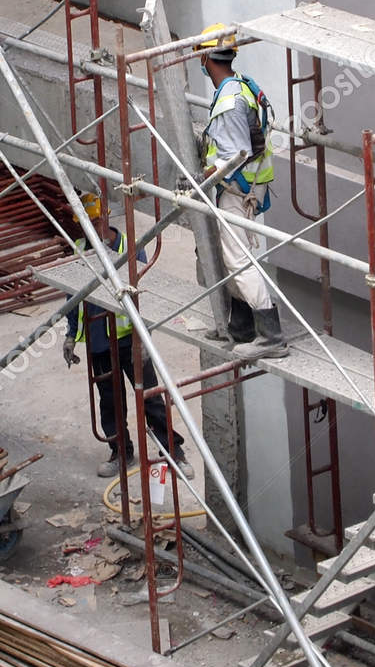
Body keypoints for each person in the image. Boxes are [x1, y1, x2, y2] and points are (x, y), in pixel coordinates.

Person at [63, 192, 193, 480]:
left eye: (96, 221)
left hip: (129, 338)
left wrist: (145, 335)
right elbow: (72, 295)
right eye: (86, 223)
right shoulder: (79, 250)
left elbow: (147, 291)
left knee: (150, 397)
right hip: (99, 338)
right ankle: (120, 452)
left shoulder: (128, 246)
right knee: (110, 400)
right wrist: (71, 334)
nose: (92, 228)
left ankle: (172, 450)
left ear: (106, 217)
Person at [195, 25, 289, 360]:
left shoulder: (230, 102)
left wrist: (199, 176)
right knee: (231, 254)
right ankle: (242, 327)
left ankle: (271, 334)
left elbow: (233, 157)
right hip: (247, 187)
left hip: (237, 188)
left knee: (238, 258)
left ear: (206, 57)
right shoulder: (243, 85)